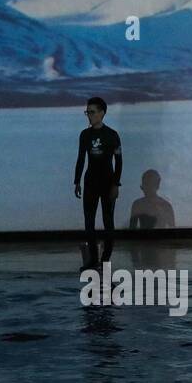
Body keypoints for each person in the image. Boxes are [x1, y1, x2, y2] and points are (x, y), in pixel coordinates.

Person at [74, 97, 122, 270]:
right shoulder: (85, 135)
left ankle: (105, 259)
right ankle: (93, 260)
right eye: (87, 112)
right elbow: (80, 159)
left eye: (92, 112)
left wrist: (116, 184)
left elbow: (119, 161)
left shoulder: (112, 135)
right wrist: (76, 181)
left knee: (108, 222)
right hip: (90, 182)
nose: (89, 115)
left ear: (102, 113)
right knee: (89, 222)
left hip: (108, 182)